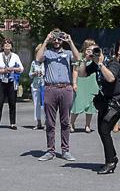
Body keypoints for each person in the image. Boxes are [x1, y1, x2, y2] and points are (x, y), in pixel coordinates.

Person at [80, 43, 120, 174]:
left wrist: (101, 64)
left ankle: (111, 162)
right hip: (105, 99)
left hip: (119, 99)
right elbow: (82, 73)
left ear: (101, 51)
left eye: (96, 51)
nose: (94, 53)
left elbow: (110, 78)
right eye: (91, 51)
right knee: (102, 130)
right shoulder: (93, 63)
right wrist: (84, 60)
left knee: (104, 128)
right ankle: (112, 157)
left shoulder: (112, 62)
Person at [35, 29, 80, 162]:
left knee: (65, 122)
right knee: (50, 122)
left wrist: (70, 41)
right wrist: (46, 40)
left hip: (66, 89)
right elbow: (38, 58)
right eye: (54, 39)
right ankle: (50, 150)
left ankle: (65, 150)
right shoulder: (47, 53)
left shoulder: (67, 53)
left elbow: (78, 58)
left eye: (59, 39)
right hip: (50, 89)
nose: (56, 41)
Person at [0, 38, 24, 130]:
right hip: (1, 81)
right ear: (2, 46)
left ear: (11, 46)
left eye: (9, 44)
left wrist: (13, 69)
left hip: (11, 82)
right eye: (5, 44)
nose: (7, 45)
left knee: (12, 103)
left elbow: (21, 69)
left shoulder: (15, 56)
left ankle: (12, 123)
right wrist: (4, 70)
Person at [70, 39, 98, 133]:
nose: (92, 49)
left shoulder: (95, 57)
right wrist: (74, 83)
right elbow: (75, 70)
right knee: (78, 103)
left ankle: (87, 125)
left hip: (91, 82)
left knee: (90, 105)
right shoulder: (80, 56)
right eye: (90, 47)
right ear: (85, 47)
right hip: (81, 82)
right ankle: (71, 123)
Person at [28, 56, 46, 130]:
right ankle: (38, 122)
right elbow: (30, 74)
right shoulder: (33, 63)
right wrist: (34, 73)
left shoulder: (47, 62)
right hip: (35, 86)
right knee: (36, 105)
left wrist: (44, 74)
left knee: (46, 105)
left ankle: (46, 123)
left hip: (45, 86)